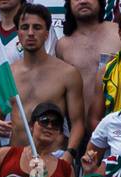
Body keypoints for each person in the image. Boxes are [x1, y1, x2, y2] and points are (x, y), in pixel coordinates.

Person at [10, 3, 84, 153]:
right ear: (18, 33)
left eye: (37, 28)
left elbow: (78, 124)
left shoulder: (68, 74)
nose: (30, 33)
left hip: (53, 157)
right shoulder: (8, 74)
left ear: (47, 33)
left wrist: (69, 155)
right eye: (25, 28)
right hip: (16, 157)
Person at [55, 0, 119, 125]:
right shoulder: (62, 45)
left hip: (118, 129)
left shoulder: (118, 33)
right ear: (69, 4)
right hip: (79, 131)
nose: (83, 1)